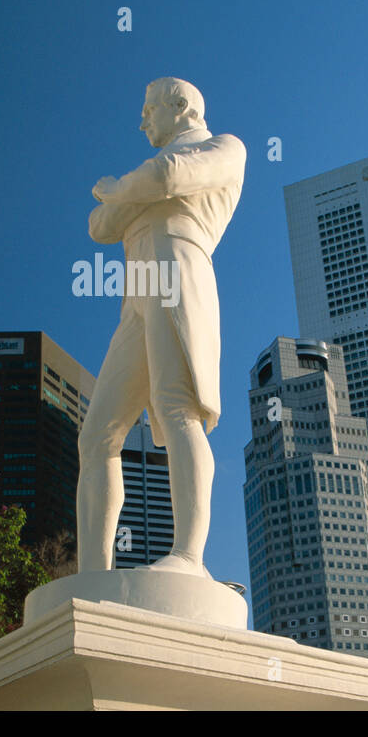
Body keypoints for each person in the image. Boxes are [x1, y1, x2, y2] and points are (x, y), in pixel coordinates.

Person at [78, 77, 245, 576]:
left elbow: (170, 176)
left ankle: (188, 557)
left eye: (149, 109)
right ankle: (93, 575)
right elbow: (99, 226)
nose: (142, 120)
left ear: (181, 107)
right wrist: (134, 191)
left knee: (177, 407)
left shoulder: (224, 146)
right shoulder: (155, 166)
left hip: (178, 266)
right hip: (138, 288)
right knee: (97, 436)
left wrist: (120, 189)